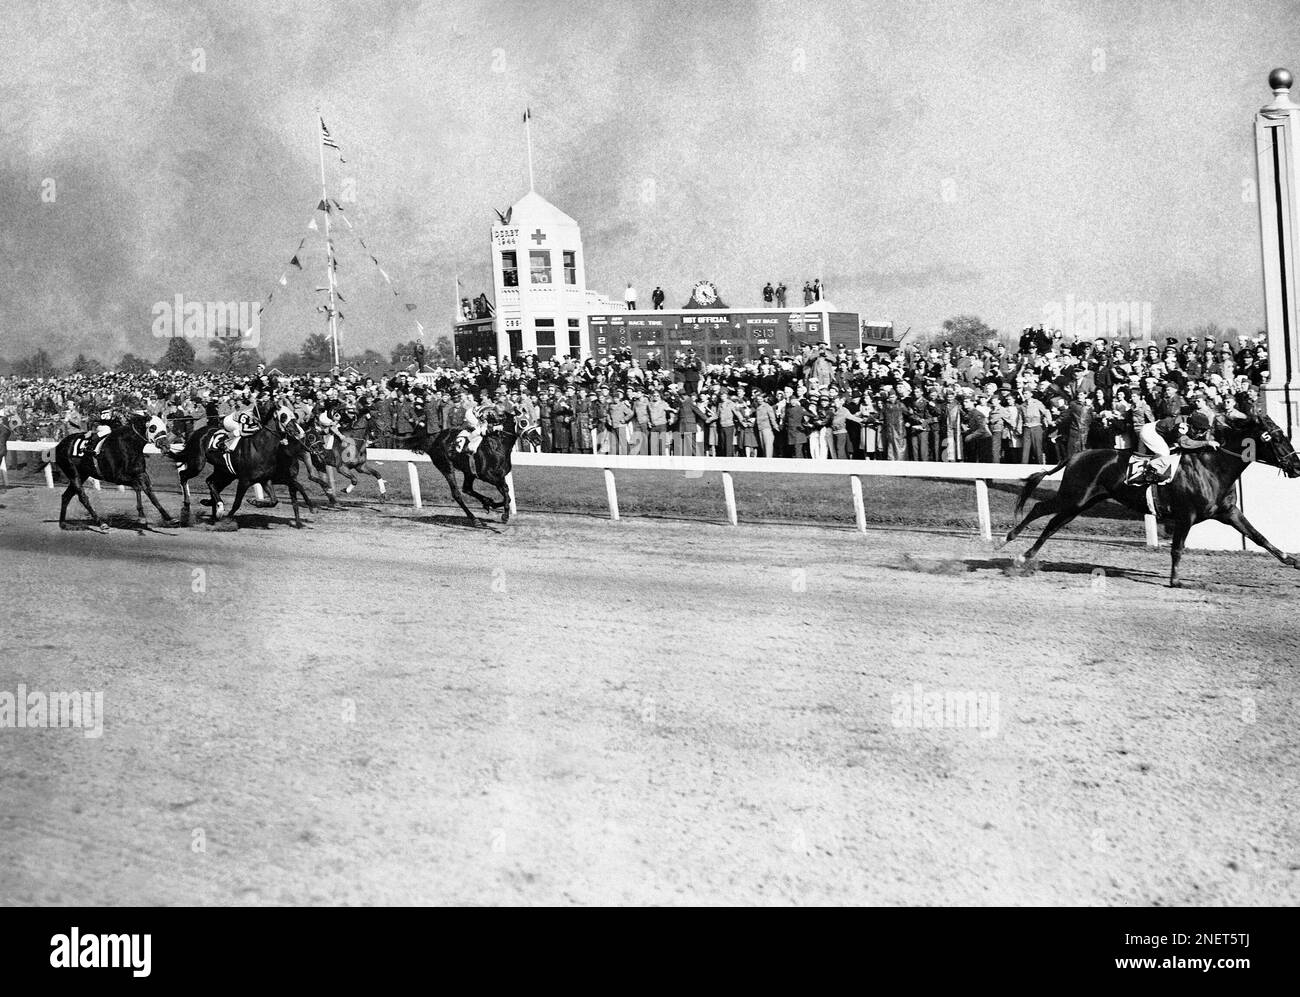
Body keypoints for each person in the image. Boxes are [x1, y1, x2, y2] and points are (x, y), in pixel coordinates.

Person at [1137, 411, 1218, 484]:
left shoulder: (1189, 422)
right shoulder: (1181, 426)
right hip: (1150, 432)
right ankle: (1149, 473)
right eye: (1200, 430)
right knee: (1164, 452)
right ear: (1192, 426)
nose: (1201, 433)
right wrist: (1207, 443)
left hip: (1162, 431)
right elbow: (1185, 443)